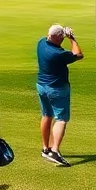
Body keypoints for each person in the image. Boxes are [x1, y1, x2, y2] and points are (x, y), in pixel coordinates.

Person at [37, 24, 84, 167]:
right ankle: (55, 151)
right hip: (57, 88)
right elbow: (78, 54)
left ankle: (46, 148)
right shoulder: (58, 54)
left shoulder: (41, 43)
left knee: (46, 115)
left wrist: (63, 35)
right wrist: (72, 39)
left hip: (41, 86)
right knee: (62, 119)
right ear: (58, 38)